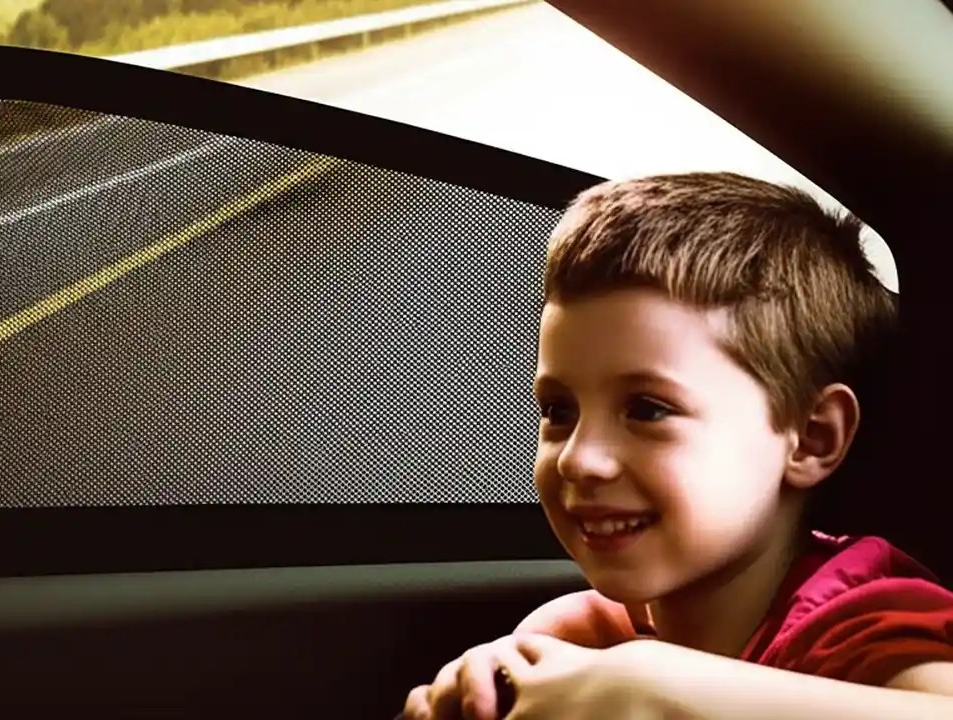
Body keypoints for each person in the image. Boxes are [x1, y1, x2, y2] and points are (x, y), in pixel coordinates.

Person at [397, 172, 953, 720]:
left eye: (647, 409)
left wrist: (659, 690)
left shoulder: (861, 621)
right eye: (559, 411)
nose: (577, 458)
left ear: (811, 438)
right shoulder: (583, 639)